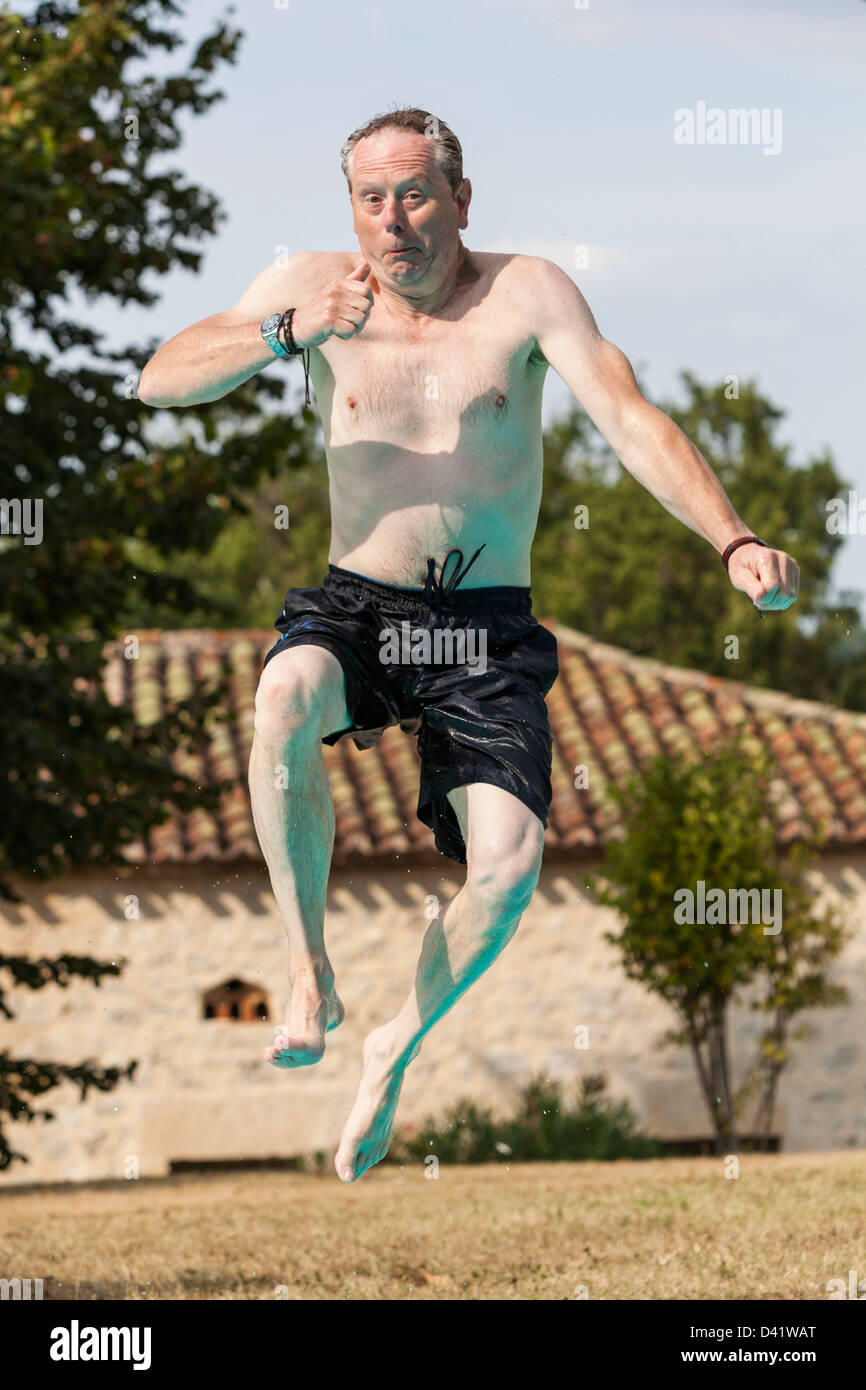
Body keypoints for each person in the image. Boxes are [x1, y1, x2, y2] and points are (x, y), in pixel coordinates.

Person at [138, 107, 800, 1183]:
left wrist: (731, 538)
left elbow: (627, 417)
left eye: (411, 195)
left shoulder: (525, 293)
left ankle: (393, 1039)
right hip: (358, 605)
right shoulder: (312, 289)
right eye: (368, 198)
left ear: (459, 198)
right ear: (346, 204)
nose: (389, 223)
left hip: (483, 629)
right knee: (280, 702)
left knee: (509, 863)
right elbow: (159, 377)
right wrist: (284, 335)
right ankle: (308, 974)